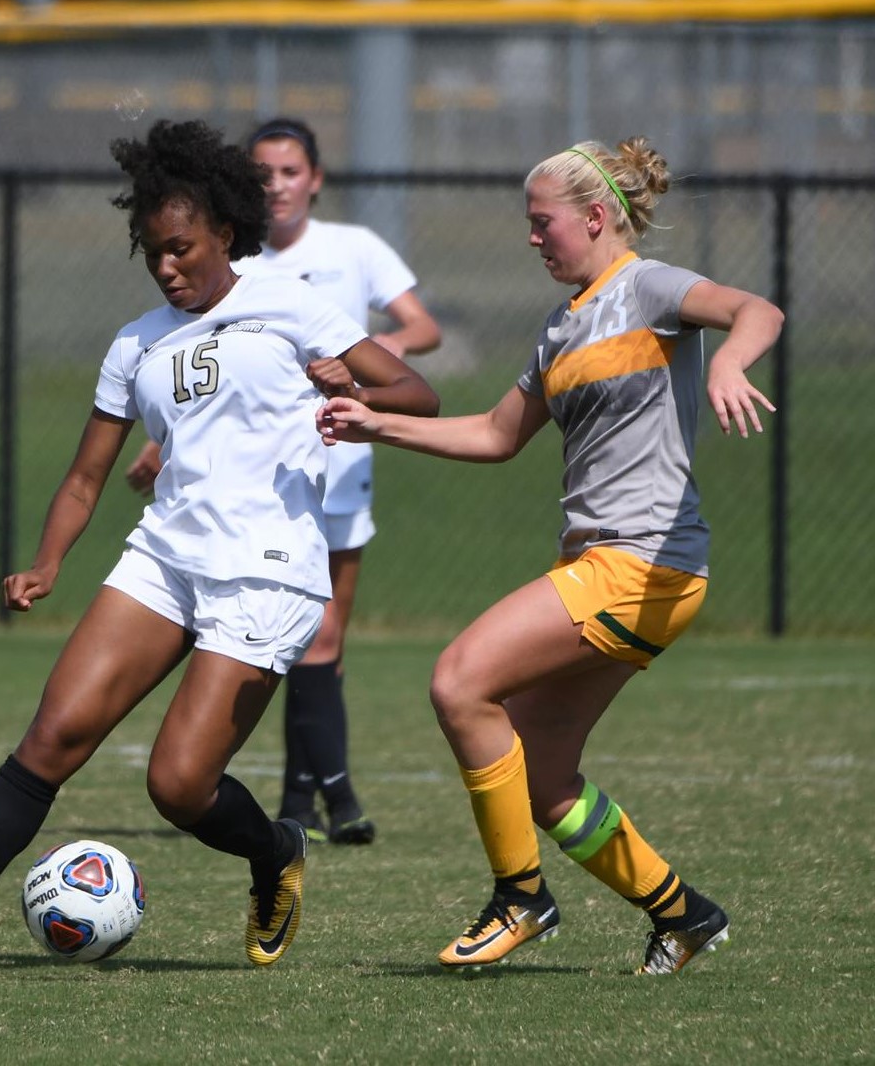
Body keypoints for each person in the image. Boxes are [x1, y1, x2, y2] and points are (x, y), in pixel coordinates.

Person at [0, 118, 440, 977]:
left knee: (177, 786)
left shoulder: (287, 304)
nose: (167, 267)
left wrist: (351, 386)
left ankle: (275, 850)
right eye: (152, 253)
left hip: (266, 571)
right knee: (51, 739)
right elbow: (87, 477)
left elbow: (417, 393)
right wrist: (48, 562)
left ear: (224, 234)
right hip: (165, 559)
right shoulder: (135, 341)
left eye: (181, 249)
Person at [315, 137, 781, 975]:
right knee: (545, 780)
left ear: (596, 217)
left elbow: (759, 311)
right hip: (613, 569)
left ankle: (520, 898)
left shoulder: (649, 286)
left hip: (642, 564)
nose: (532, 239)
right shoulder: (562, 327)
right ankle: (685, 915)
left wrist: (731, 366)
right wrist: (376, 422)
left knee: (459, 681)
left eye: (543, 223)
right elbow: (497, 435)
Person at [126, 117, 442, 847]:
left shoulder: (351, 250)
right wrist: (160, 444)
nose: (278, 185)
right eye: (263, 173)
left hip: (345, 456)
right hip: (259, 486)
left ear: (315, 178)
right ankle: (309, 798)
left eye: (290, 171)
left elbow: (418, 338)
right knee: (301, 640)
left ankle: (326, 793)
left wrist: (358, 364)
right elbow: (214, 379)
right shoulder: (234, 261)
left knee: (321, 638)